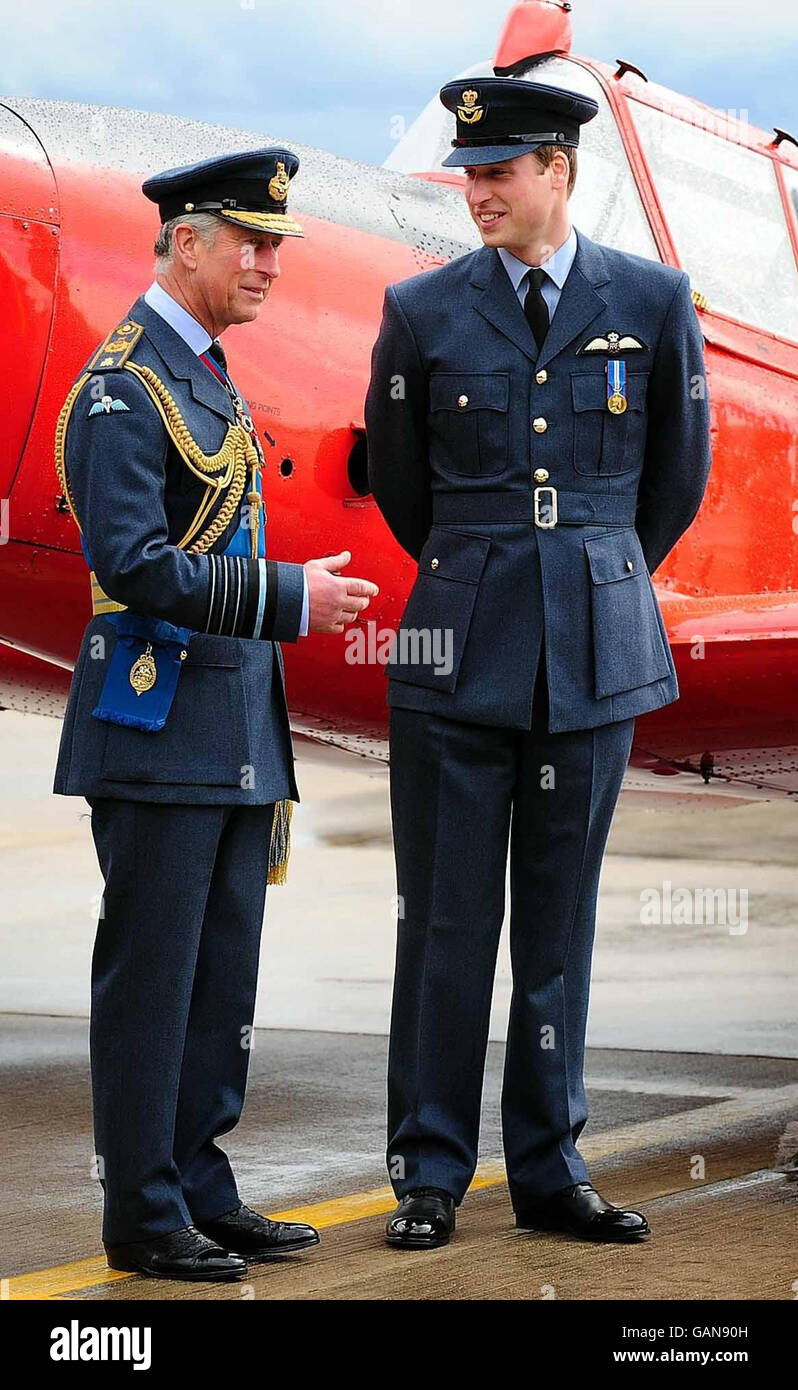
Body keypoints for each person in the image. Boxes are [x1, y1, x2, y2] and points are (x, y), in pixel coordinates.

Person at [365, 78, 712, 1249]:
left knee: (557, 925)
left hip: (595, 649)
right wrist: (490, 570)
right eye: (470, 173)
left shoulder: (656, 301)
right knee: (445, 923)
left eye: (499, 172)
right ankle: (427, 1170)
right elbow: (409, 496)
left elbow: (675, 481)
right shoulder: (418, 311)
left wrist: (593, 574)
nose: (478, 193)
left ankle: (552, 1169)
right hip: (450, 646)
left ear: (559, 171)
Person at [54, 147, 378, 1281]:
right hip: (158, 730)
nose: (269, 263)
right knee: (152, 978)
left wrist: (285, 593)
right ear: (184, 241)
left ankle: (196, 1181)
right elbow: (139, 565)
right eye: (249, 240)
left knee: (217, 978)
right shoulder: (124, 383)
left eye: (277, 243)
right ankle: (141, 1212)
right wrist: (293, 595)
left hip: (228, 728)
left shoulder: (203, 371)